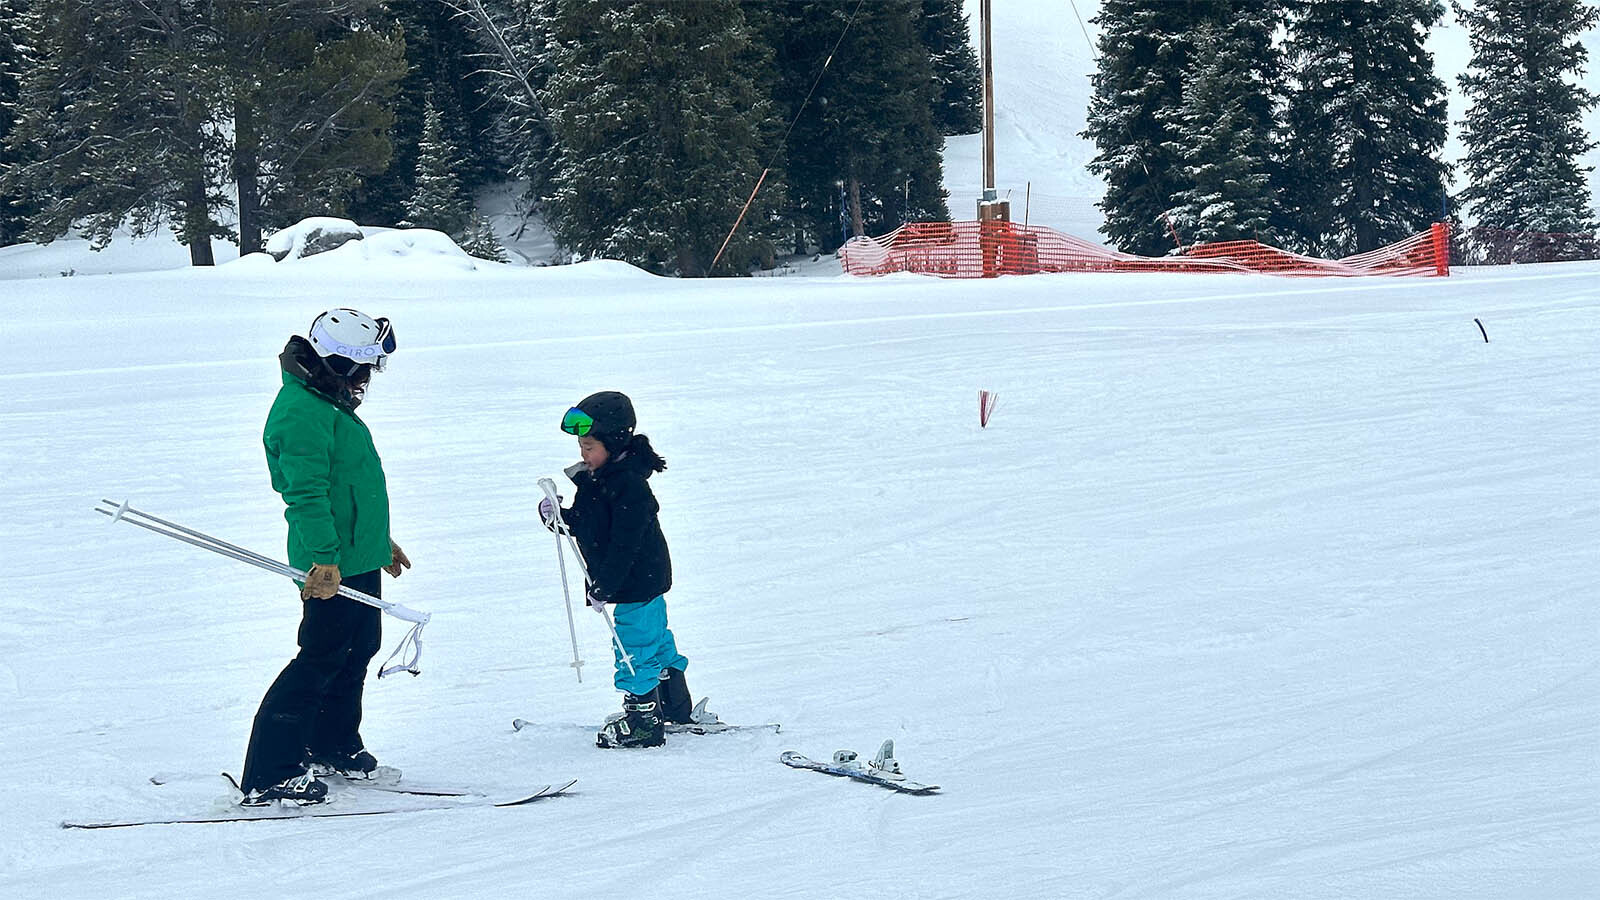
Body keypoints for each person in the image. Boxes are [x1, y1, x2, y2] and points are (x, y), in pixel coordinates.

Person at [238, 308, 409, 805]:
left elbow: (351, 485)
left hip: (356, 554)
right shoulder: (300, 412)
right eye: (363, 370)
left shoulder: (326, 399)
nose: (366, 381)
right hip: (328, 562)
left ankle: (330, 744)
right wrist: (324, 559)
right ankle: (270, 772)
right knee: (319, 658)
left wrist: (380, 544)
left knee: (358, 649)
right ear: (339, 362)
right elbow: (307, 494)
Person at [540, 391, 711, 748]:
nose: (583, 455)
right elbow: (589, 526)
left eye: (589, 447)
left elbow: (624, 546)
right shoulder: (599, 480)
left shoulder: (630, 486)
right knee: (657, 641)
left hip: (637, 582)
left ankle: (644, 723)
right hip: (636, 583)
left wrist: (604, 587)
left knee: (634, 648)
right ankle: (674, 708)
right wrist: (558, 518)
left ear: (614, 441)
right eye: (581, 447)